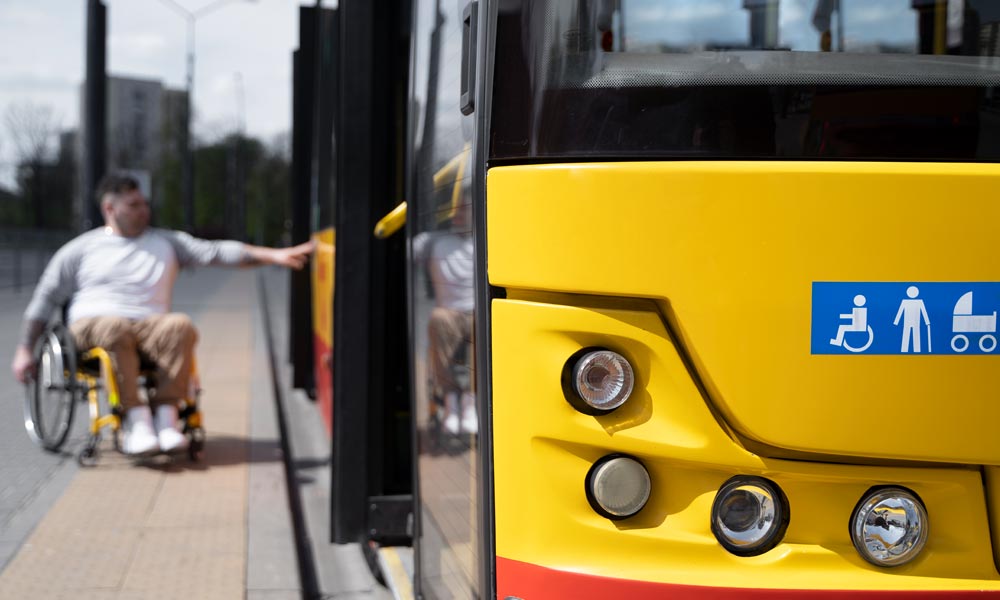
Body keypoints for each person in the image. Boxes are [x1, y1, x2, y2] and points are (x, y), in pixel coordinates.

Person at [10, 173, 314, 455]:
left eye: (144, 204)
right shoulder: (80, 249)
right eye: (134, 205)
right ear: (109, 208)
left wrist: (274, 255)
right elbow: (45, 298)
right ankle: (135, 420)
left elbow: (218, 252)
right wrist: (25, 349)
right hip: (93, 326)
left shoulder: (167, 242)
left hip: (148, 326)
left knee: (180, 325)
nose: (144, 210)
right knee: (115, 327)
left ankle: (166, 417)